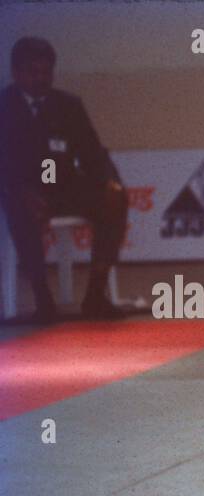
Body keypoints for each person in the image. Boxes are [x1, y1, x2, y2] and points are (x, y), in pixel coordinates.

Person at [0, 36, 128, 322]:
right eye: (33, 72)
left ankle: (95, 294)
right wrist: (20, 189)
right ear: (16, 72)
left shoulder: (68, 105)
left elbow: (94, 152)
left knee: (114, 200)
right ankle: (43, 300)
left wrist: (111, 181)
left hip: (64, 185)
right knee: (21, 209)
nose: (40, 79)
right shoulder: (4, 106)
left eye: (46, 72)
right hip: (23, 189)